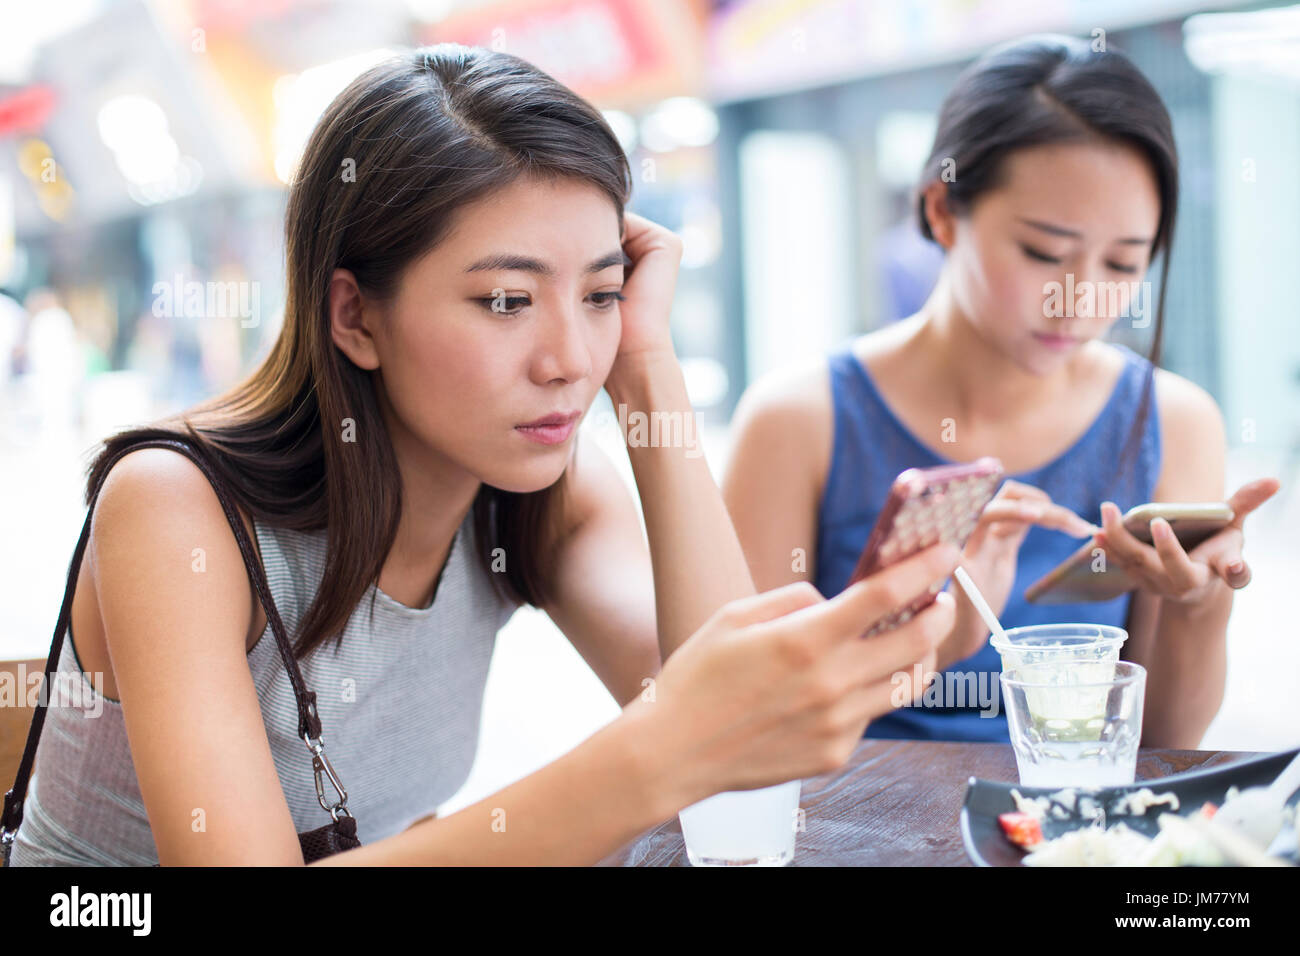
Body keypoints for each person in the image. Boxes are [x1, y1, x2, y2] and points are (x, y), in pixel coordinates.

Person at [6, 44, 959, 867]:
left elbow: (744, 748)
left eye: (599, 293)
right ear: (355, 314)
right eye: (507, 300)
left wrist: (649, 371)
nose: (569, 361)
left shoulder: (541, 489)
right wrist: (660, 748)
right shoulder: (176, 507)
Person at [723, 35, 1279, 747]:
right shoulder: (799, 422)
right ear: (942, 210)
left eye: (1123, 262)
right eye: (1044, 253)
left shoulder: (1171, 420)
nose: (1080, 300)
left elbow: (1162, 746)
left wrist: (1200, 608)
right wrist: (933, 644)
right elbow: (737, 735)